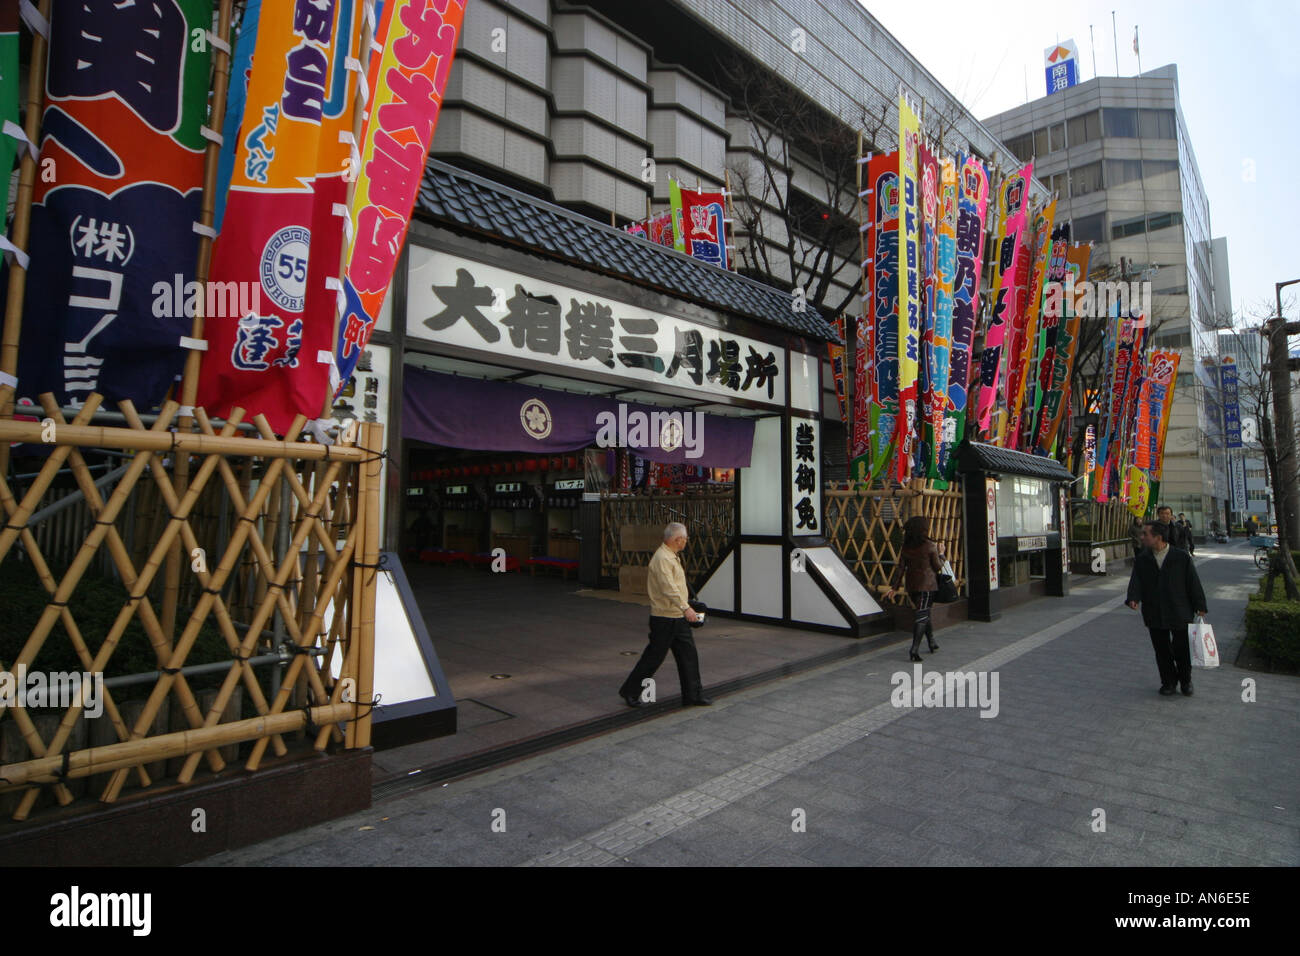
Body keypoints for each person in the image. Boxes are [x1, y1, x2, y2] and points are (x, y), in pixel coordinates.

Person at [618, 522, 711, 708]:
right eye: (685, 539)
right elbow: (669, 588)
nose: (686, 542)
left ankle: (693, 695)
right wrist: (687, 608)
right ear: (678, 540)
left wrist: (683, 610)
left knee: (688, 656)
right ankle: (630, 691)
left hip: (676, 616)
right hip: (664, 618)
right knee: (654, 657)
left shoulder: (671, 556)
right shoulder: (662, 559)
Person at [1126, 520, 1209, 697]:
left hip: (1179, 610)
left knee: (1182, 649)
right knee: (1161, 650)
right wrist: (1133, 598)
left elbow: (1193, 582)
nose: (1142, 537)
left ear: (1158, 537)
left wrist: (1200, 606)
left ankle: (1186, 681)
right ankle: (1168, 682)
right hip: (1154, 610)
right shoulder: (1143, 558)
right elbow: (1136, 581)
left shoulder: (1180, 557)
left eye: (1145, 534)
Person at [881, 515, 944, 662]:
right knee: (922, 616)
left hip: (912, 586)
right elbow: (938, 567)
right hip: (927, 586)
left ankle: (932, 642)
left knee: (923, 613)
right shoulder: (930, 545)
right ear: (922, 530)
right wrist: (942, 554)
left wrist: (894, 587)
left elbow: (901, 568)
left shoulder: (906, 547)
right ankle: (914, 650)